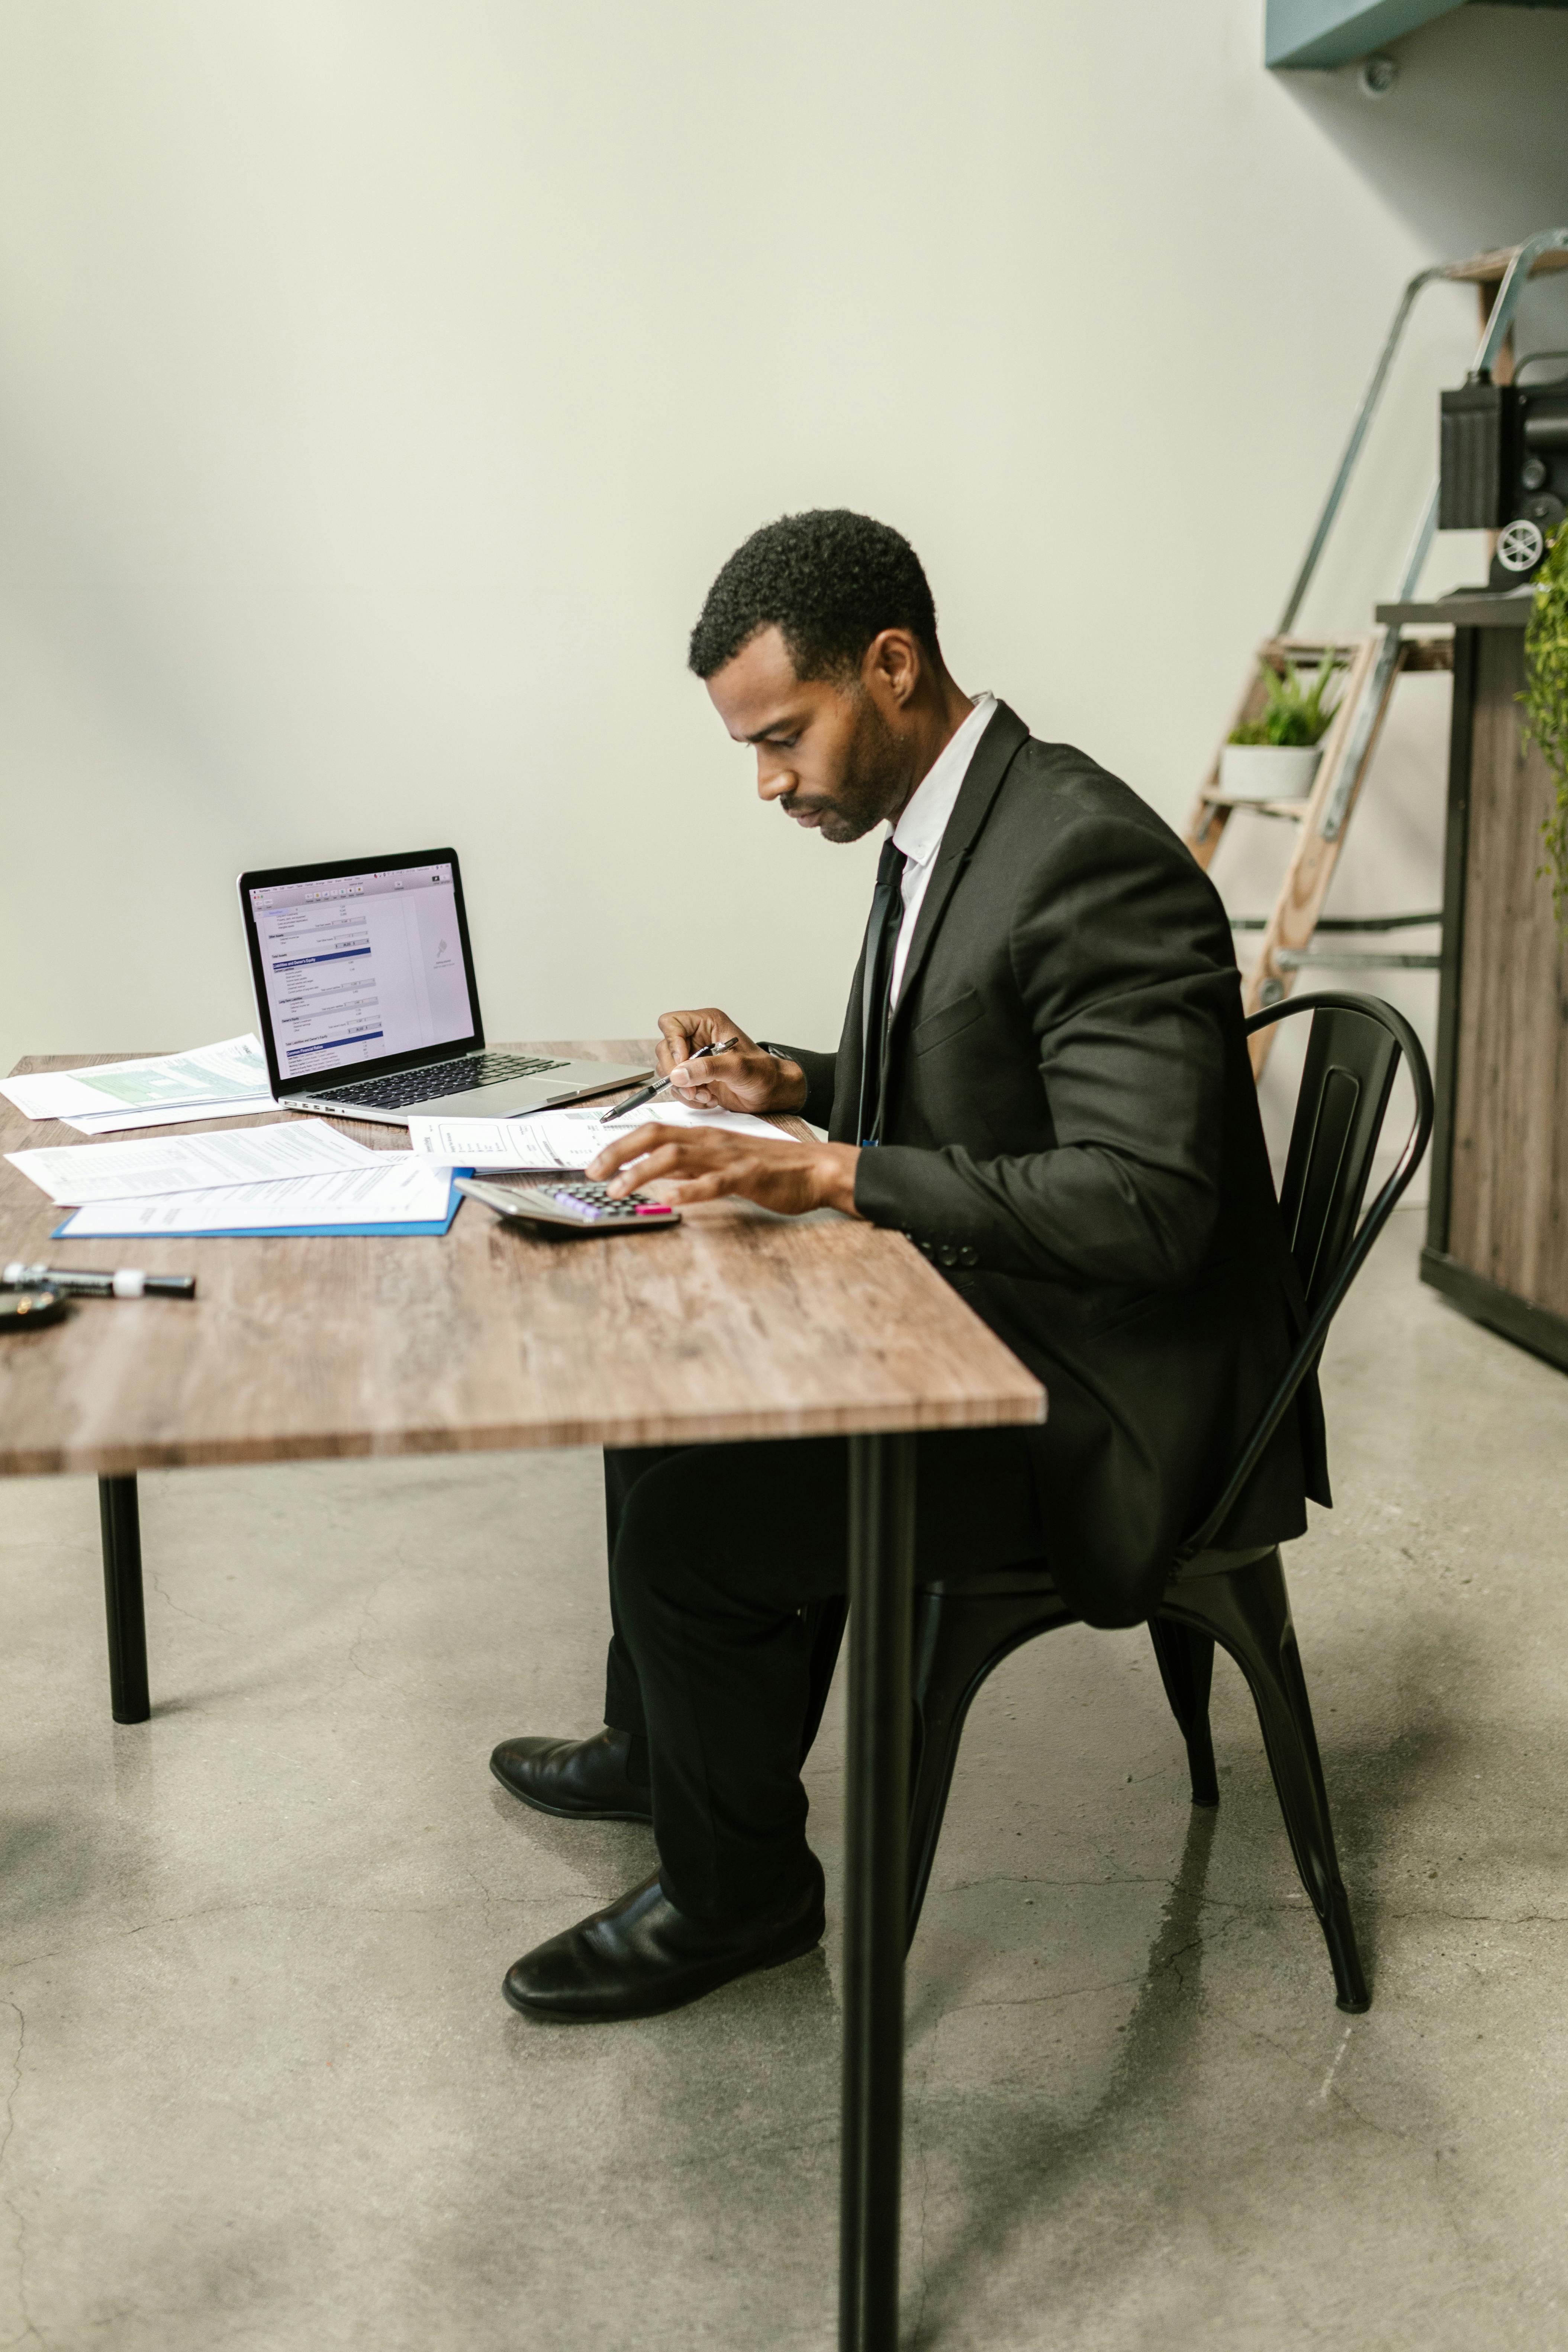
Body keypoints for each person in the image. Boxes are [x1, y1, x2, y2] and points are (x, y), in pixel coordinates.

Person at [496, 508, 1327, 2023]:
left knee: (692, 1527)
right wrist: (794, 1086)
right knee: (661, 1386)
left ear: (890, 666)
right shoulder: (954, 825)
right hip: (1009, 1322)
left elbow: (1148, 1206)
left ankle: (741, 1897)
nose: (767, 782)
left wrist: (826, 1171)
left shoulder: (1083, 854)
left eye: (783, 736)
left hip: (1113, 1401)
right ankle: (665, 1753)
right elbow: (978, 1100)